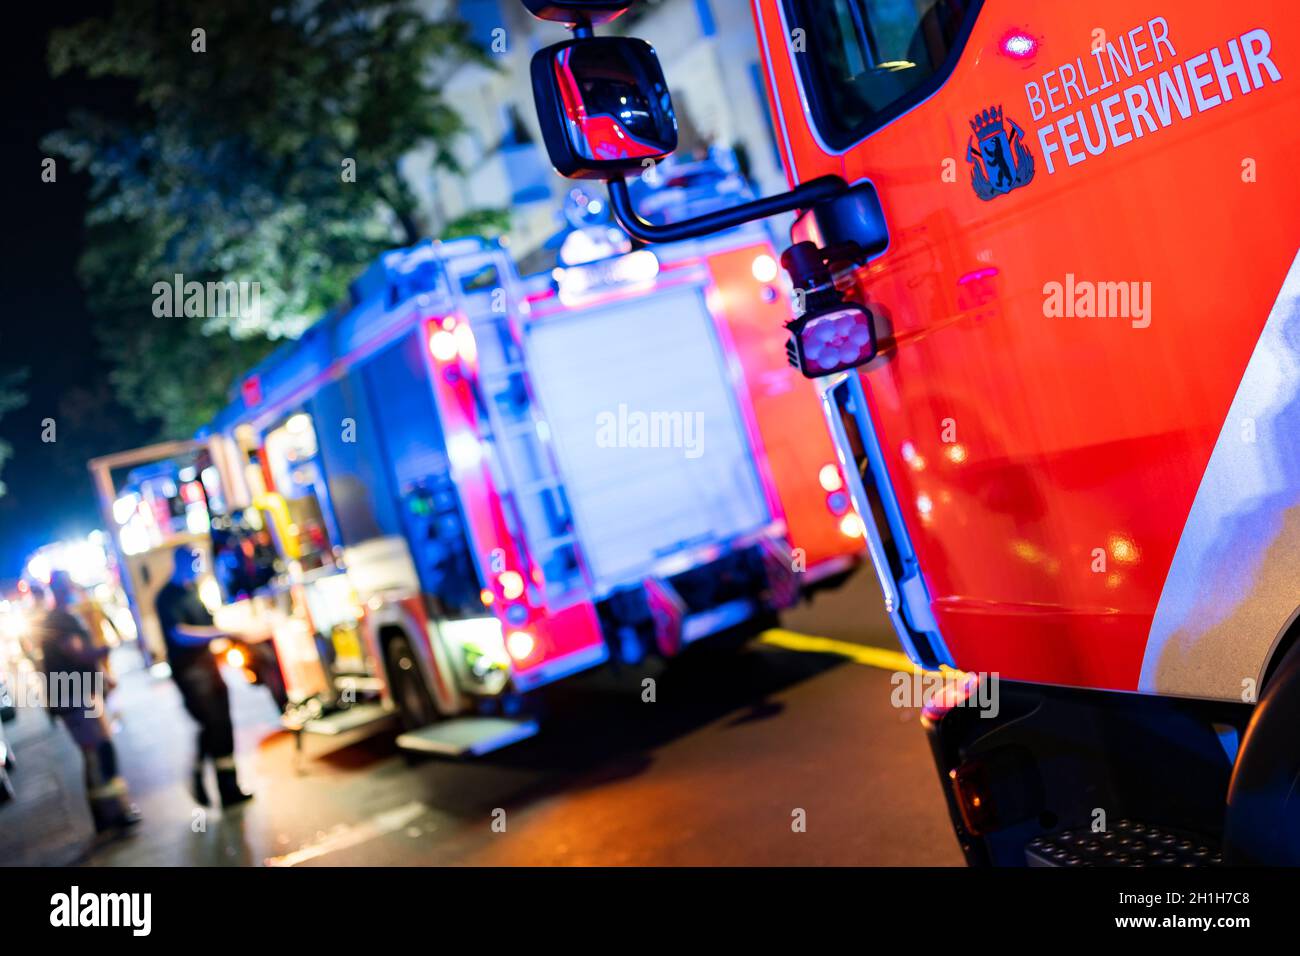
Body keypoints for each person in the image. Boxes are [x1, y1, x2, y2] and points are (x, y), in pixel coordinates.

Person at [36, 573, 141, 835]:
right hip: (73, 696)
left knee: (93, 751)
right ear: (63, 589)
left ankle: (106, 815)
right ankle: (113, 813)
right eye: (70, 585)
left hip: (73, 693)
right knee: (98, 750)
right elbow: (78, 653)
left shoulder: (58, 619)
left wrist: (102, 675)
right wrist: (106, 649)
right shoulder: (62, 619)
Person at [154, 547, 252, 809]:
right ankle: (197, 776)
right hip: (190, 672)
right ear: (180, 562)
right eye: (192, 562)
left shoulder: (192, 591)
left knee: (223, 724)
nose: (196, 567)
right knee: (212, 724)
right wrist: (218, 634)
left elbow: (209, 623)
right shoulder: (167, 597)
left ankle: (229, 788)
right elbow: (179, 634)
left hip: (208, 666)